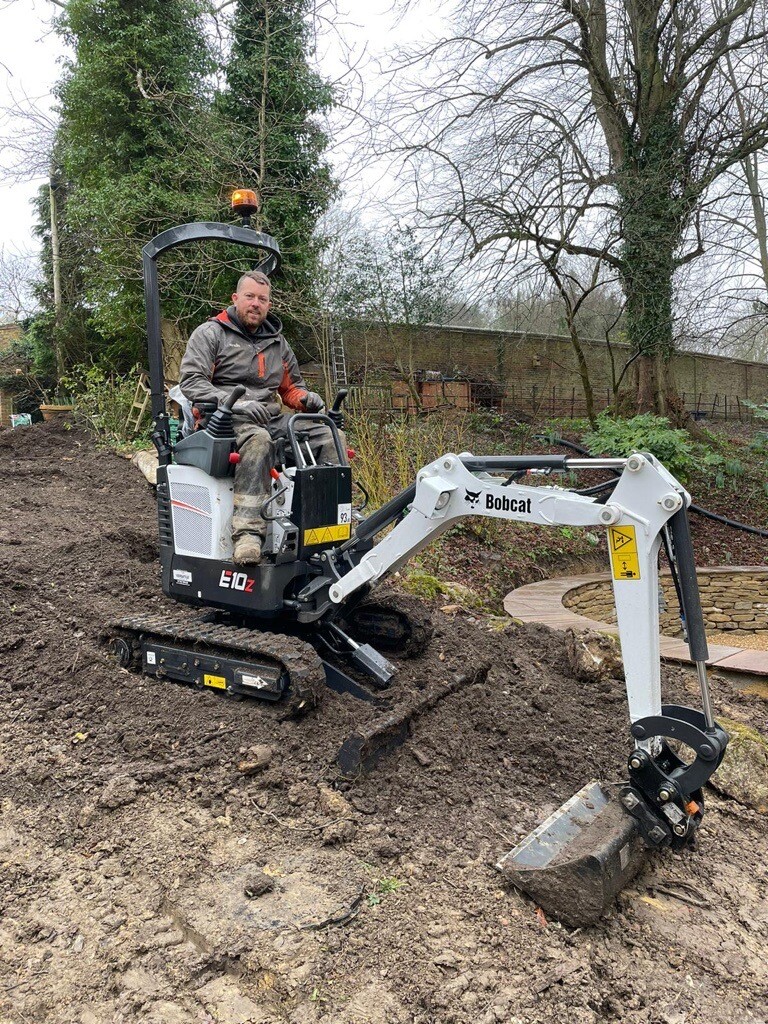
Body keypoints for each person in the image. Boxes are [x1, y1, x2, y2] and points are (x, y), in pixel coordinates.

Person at [179, 270, 342, 565]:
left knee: (331, 436)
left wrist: (305, 399)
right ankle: (248, 536)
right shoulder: (211, 333)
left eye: (262, 299)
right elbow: (191, 382)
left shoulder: (277, 343)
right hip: (224, 421)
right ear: (236, 298)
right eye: (250, 296)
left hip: (269, 417)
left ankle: (328, 524)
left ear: (269, 305)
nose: (256, 303)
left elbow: (291, 388)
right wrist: (234, 403)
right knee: (258, 440)